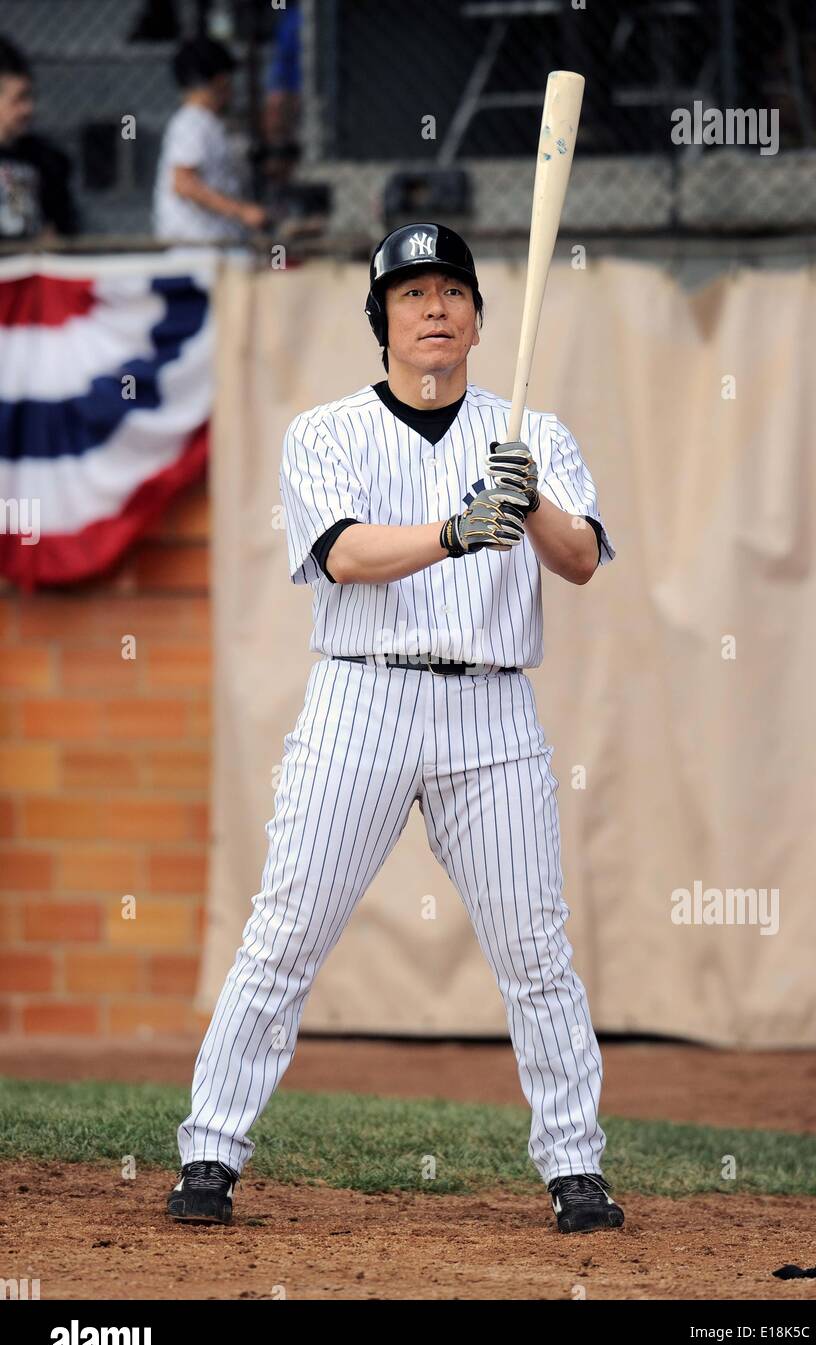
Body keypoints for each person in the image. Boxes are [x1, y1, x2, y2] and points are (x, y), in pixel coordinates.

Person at [167, 222, 623, 1238]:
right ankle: (210, 1150)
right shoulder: (324, 432)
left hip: (491, 707)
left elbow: (582, 558)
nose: (431, 309)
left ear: (474, 317)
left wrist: (530, 500)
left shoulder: (529, 433)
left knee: (535, 949)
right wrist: (455, 530)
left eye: (448, 292)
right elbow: (341, 555)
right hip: (360, 697)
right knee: (284, 932)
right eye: (409, 294)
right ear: (381, 318)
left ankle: (573, 1166)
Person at [153, 35, 266, 242]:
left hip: (214, 244)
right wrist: (242, 212)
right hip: (196, 246)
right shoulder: (192, 121)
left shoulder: (208, 122)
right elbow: (184, 184)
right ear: (219, 80)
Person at [0, 36, 77, 241]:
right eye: (19, 99)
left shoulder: (44, 160)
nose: (28, 109)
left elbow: (61, 227)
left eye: (30, 98)